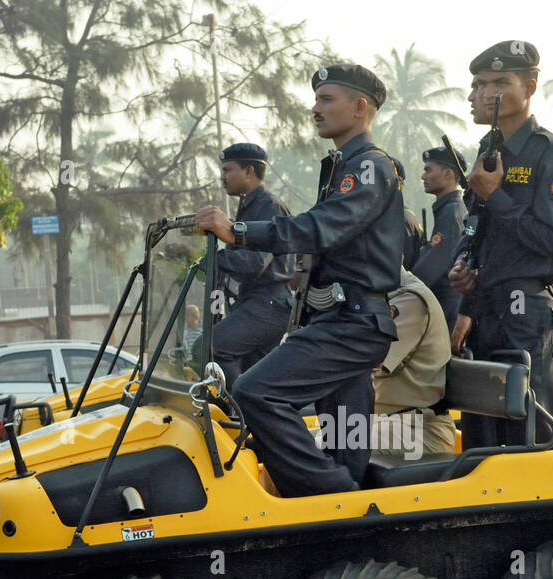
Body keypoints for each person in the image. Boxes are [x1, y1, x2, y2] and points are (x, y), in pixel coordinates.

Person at [195, 63, 404, 498]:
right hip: (339, 321)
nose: (316, 108)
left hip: (354, 324)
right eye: (317, 99)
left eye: (327, 100)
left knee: (255, 392)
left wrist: (239, 232)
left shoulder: (369, 167)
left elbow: (318, 228)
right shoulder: (343, 166)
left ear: (360, 107)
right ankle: (347, 516)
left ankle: (328, 498)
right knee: (344, 446)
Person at [448, 41, 553, 451]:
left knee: (532, 435)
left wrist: (496, 196)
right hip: (487, 306)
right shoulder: (487, 154)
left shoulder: (550, 154)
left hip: (528, 310)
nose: (486, 93)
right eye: (479, 84)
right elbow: (478, 232)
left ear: (529, 86)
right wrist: (463, 272)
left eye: (499, 82)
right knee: (484, 437)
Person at [211, 143, 295, 387]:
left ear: (249, 171)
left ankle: (233, 413)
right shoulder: (249, 206)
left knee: (216, 345)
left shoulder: (268, 206)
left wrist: (213, 259)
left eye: (228, 170)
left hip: (269, 303)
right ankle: (249, 419)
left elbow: (255, 262)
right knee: (253, 377)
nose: (223, 177)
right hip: (255, 302)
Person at [372, 267, 457, 458]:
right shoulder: (378, 295)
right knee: (303, 443)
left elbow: (363, 363)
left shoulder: (409, 299)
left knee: (316, 446)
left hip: (418, 431)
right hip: (388, 423)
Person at [412, 146, 469, 336]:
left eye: (428, 170)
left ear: (448, 174)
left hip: (447, 316)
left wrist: (400, 291)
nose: (423, 176)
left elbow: (430, 268)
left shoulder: (452, 213)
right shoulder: (451, 210)